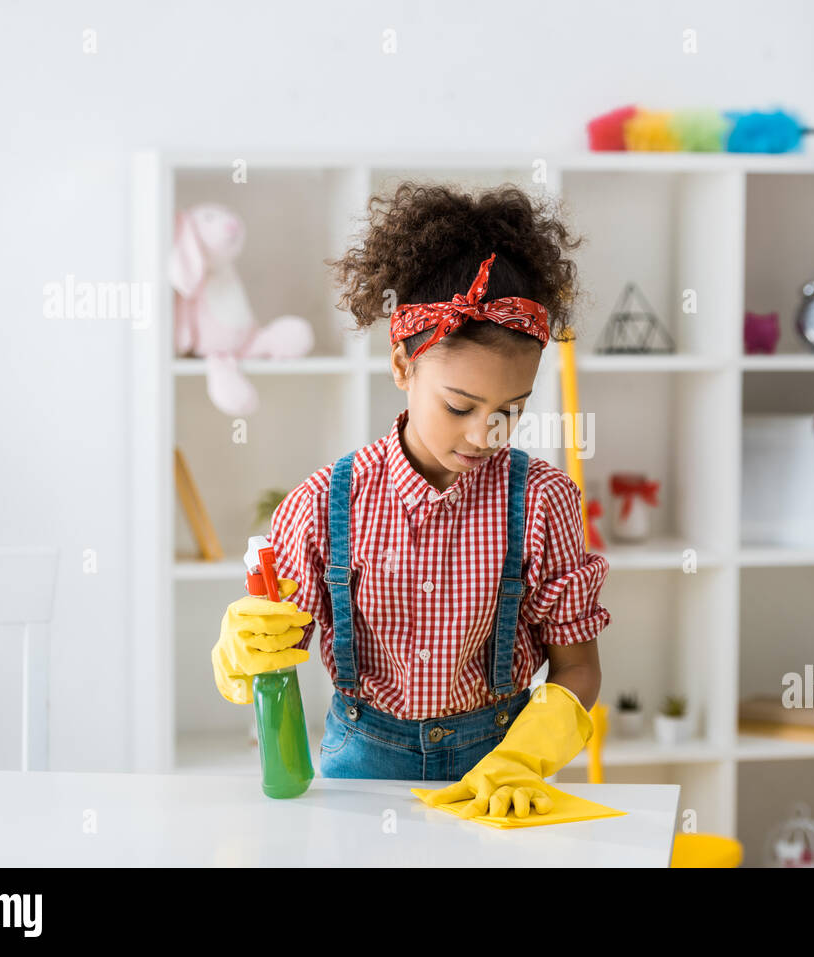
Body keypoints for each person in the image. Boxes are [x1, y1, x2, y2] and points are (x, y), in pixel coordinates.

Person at [213, 182, 610, 819]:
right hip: (360, 774)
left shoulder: (543, 502)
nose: (487, 434)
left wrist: (523, 758)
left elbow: (578, 669)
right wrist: (244, 652)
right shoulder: (323, 504)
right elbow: (272, 665)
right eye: (459, 406)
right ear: (403, 366)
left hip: (497, 771)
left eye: (512, 410)